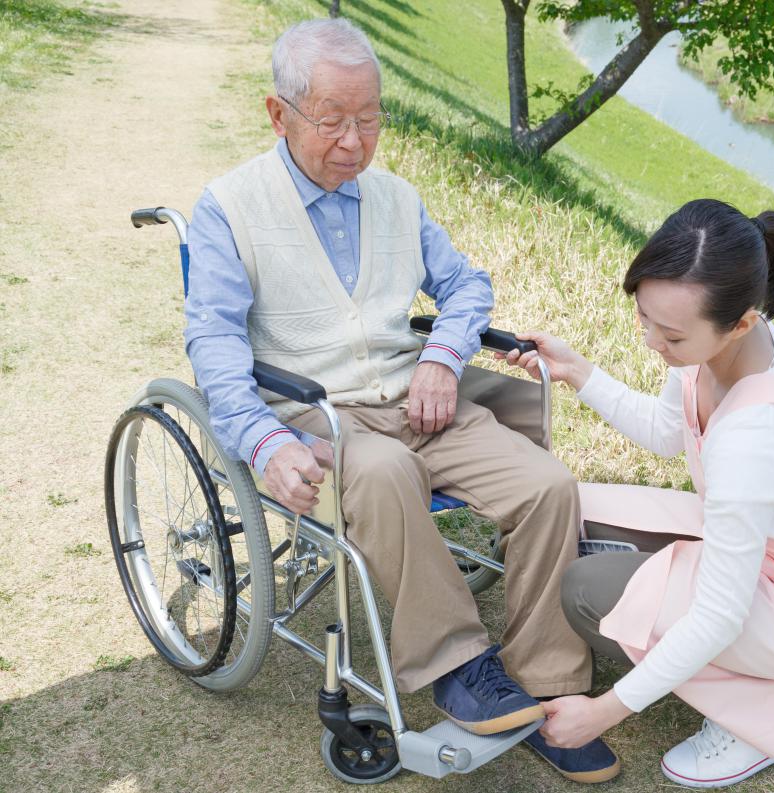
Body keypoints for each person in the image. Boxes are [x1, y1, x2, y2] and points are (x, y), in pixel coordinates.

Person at [183, 17, 618, 782]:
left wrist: (445, 358)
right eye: (332, 121)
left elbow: (466, 285)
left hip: (421, 402)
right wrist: (262, 442)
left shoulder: (394, 197)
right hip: (316, 415)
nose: (354, 141)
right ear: (278, 115)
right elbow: (214, 344)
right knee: (382, 473)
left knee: (550, 486)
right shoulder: (230, 208)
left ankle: (551, 690)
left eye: (371, 118)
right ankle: (459, 664)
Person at [500, 199, 774, 787]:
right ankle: (742, 663)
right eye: (645, 318)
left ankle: (763, 717)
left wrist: (603, 712)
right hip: (767, 550)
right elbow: (665, 432)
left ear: (742, 321)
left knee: (586, 592)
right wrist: (578, 371)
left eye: (672, 334)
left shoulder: (754, 438)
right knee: (559, 511)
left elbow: (718, 617)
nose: (654, 341)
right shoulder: (711, 342)